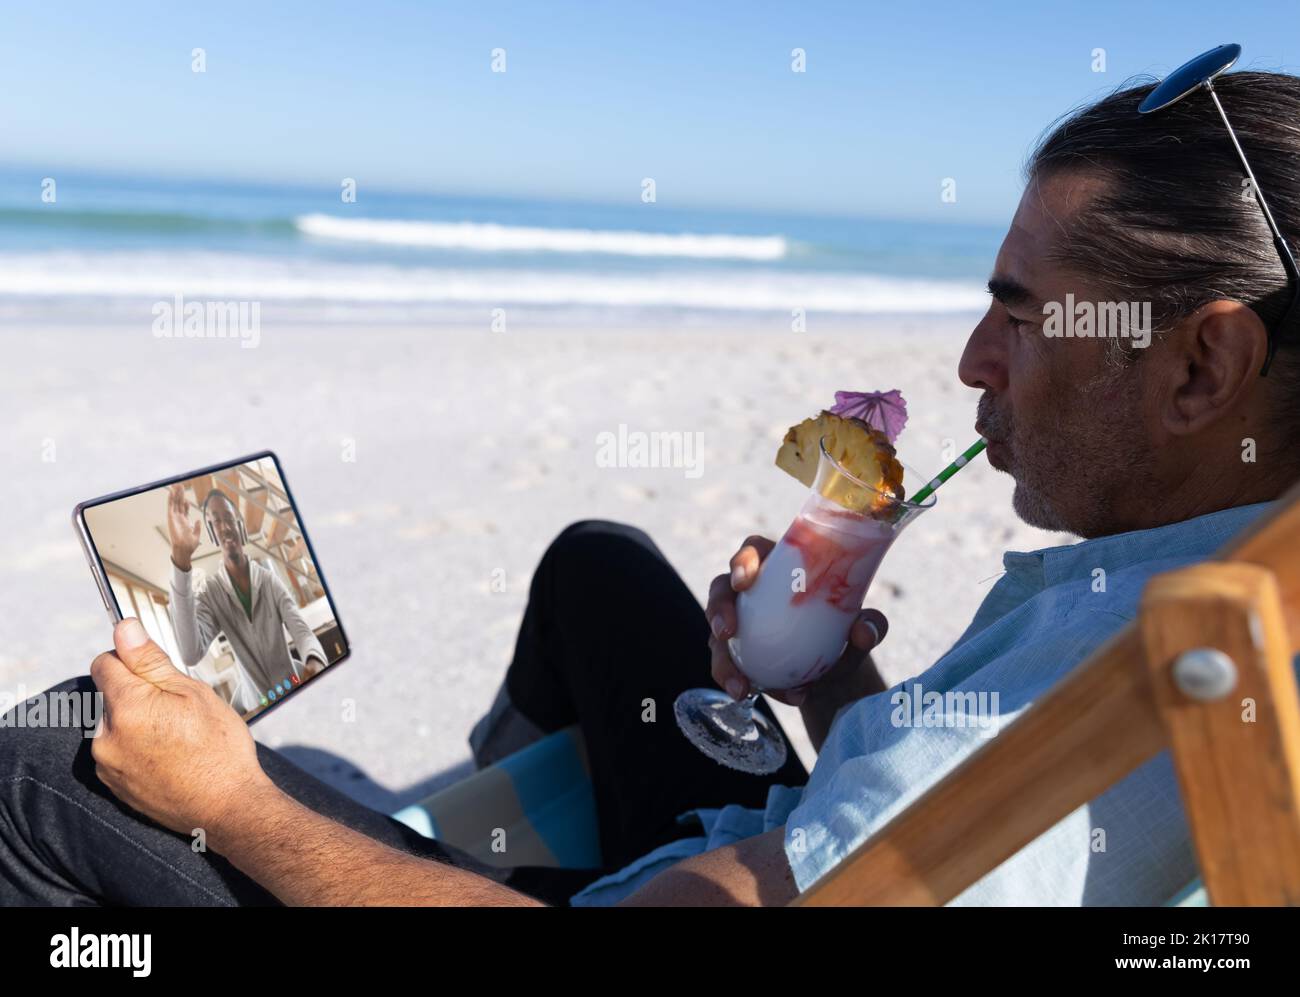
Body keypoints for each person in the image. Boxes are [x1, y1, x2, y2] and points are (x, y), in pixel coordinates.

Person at [4, 69, 1300, 906]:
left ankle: (450, 856)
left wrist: (230, 803)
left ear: (1204, 366)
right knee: (604, 562)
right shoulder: (1219, 575)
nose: (973, 362)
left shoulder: (1119, 656)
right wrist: (837, 689)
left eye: (1020, 317)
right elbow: (962, 819)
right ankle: (482, 823)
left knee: (46, 755)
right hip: (785, 849)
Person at [167, 485, 329, 712]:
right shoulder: (211, 594)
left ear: (240, 526)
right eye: (216, 521)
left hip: (295, 686)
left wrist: (315, 660)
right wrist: (181, 559)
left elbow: (300, 630)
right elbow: (190, 654)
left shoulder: (270, 581)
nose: (224, 527)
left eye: (229, 519)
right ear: (212, 533)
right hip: (259, 708)